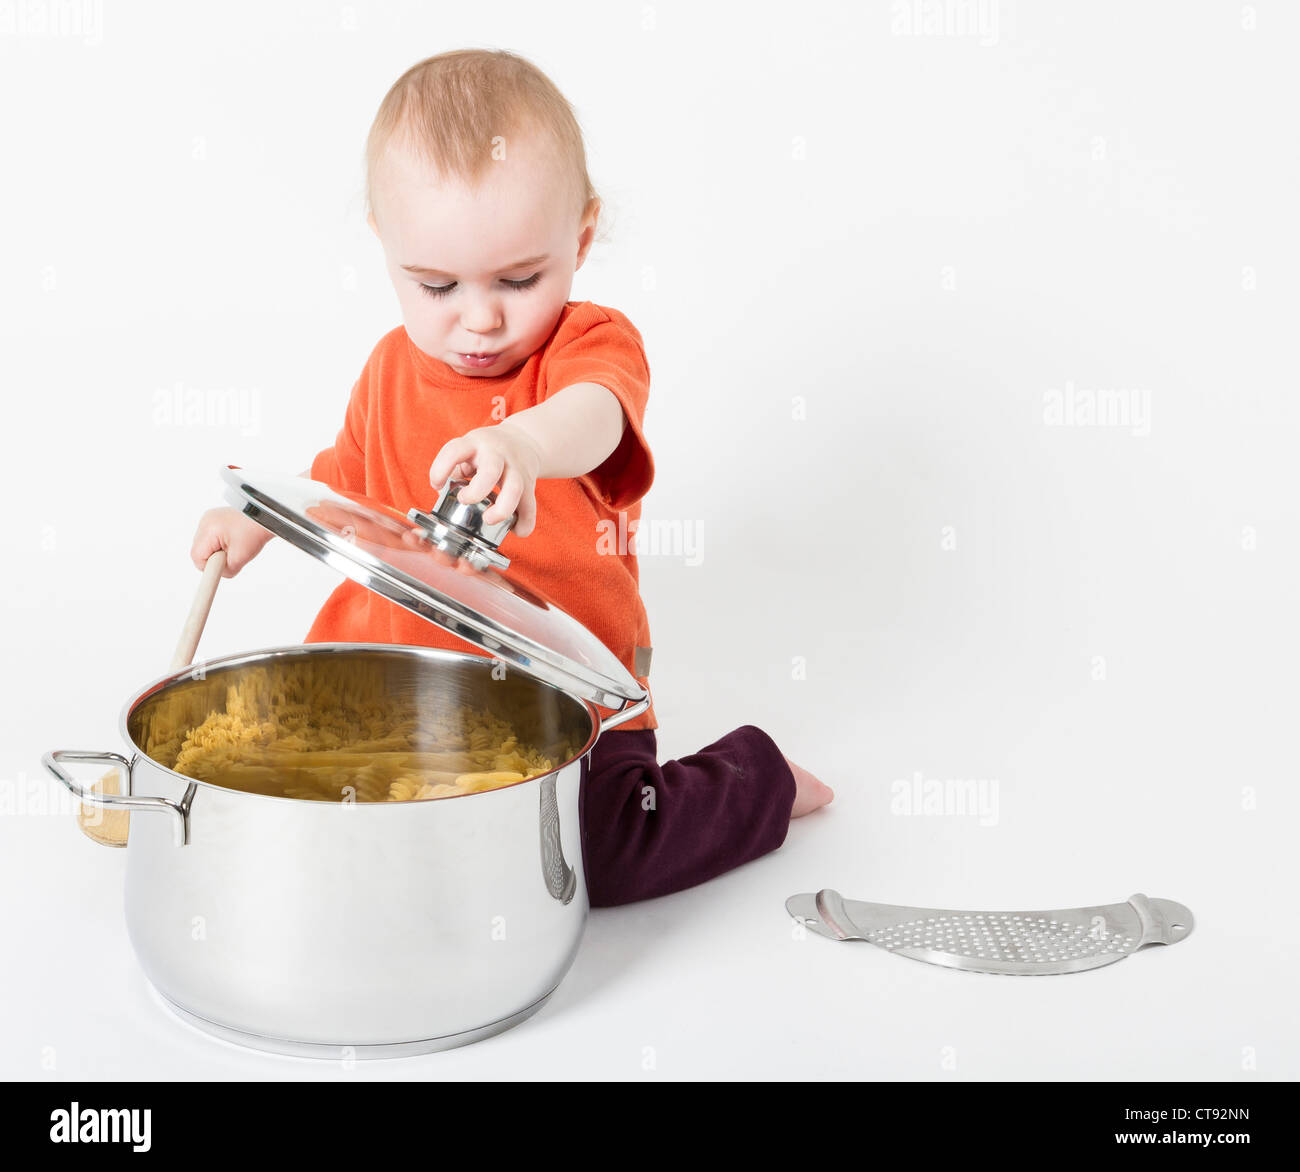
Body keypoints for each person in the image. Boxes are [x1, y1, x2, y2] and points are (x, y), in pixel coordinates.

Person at [191, 49, 832, 906]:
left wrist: (525, 446)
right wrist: (257, 524)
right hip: (392, 689)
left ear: (582, 235)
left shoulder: (587, 349)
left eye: (520, 279)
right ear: (386, 246)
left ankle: (758, 781)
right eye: (436, 285)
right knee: (322, 815)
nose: (481, 318)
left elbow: (596, 416)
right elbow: (341, 481)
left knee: (602, 857)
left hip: (565, 707)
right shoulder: (388, 368)